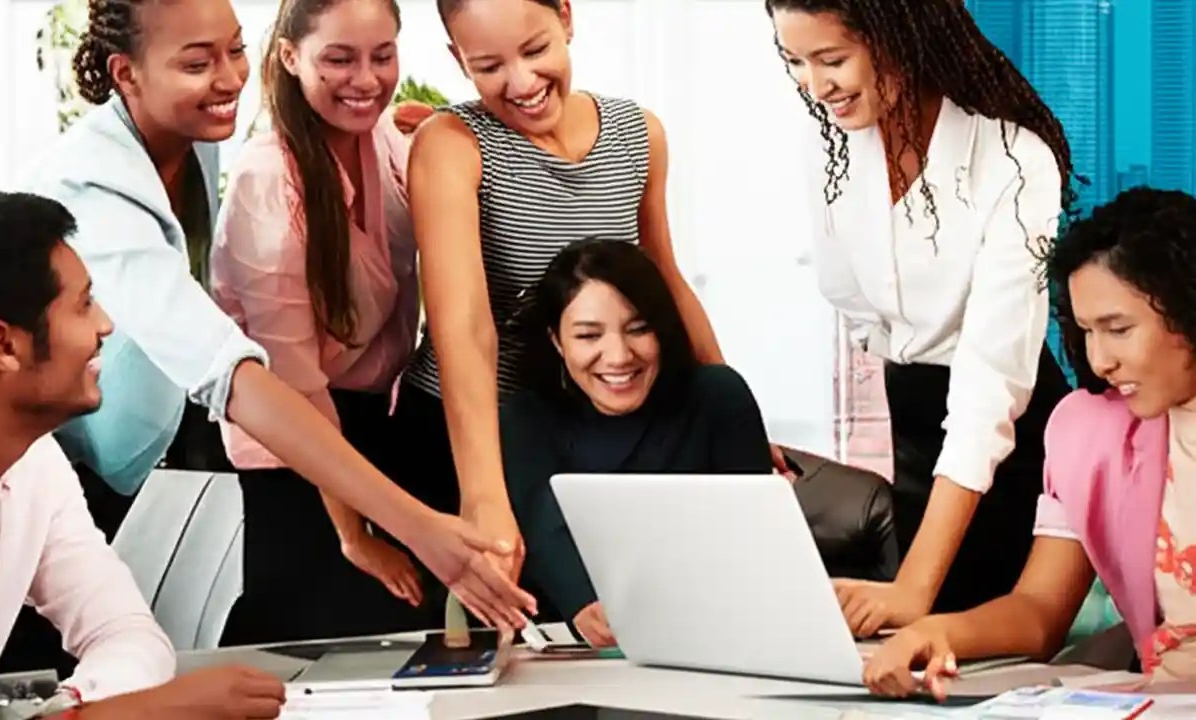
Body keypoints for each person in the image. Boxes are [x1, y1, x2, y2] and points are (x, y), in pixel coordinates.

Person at [17, 0, 533, 633]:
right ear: (126, 73)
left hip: (165, 444)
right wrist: (410, 528)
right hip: (49, 456)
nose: (231, 78)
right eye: (198, 64)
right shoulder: (98, 187)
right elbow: (228, 370)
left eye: (235, 50)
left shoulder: (192, 143)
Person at [402, 0, 780, 586]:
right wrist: (484, 496)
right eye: (489, 66)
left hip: (587, 424)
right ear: (458, 60)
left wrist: (722, 411)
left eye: (535, 50)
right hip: (473, 434)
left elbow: (665, 280)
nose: (522, 83)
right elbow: (464, 327)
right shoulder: (450, 144)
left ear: (566, 18)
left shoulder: (638, 133)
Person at [766, 0, 1074, 634]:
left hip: (1009, 438)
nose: (814, 85)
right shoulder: (829, 145)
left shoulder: (1014, 160)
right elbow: (853, 303)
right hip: (913, 416)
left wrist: (913, 587)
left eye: (831, 59)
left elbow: (987, 389)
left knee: (977, 641)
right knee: (912, 648)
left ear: (899, 37)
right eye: (794, 60)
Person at [0, 191, 285, 720]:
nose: (105, 325)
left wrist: (74, 710)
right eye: (84, 304)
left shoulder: (33, 463)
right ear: (4, 346)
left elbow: (127, 632)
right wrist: (140, 713)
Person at [863, 187, 1196, 698]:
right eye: (1087, 331)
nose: (1100, 360)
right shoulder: (1091, 435)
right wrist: (935, 632)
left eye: (1118, 329)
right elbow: (1039, 611)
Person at [210, 0, 428, 644]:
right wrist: (353, 534)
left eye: (383, 56)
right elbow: (295, 385)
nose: (367, 79)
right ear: (289, 56)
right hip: (296, 453)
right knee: (325, 651)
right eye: (339, 59)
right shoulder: (266, 180)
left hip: (376, 424)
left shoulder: (385, 139)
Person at [501, 240, 775, 647]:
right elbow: (543, 526)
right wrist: (586, 603)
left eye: (639, 329)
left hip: (716, 632)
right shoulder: (524, 418)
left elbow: (755, 535)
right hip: (577, 651)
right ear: (557, 341)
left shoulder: (719, 397)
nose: (618, 356)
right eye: (588, 335)